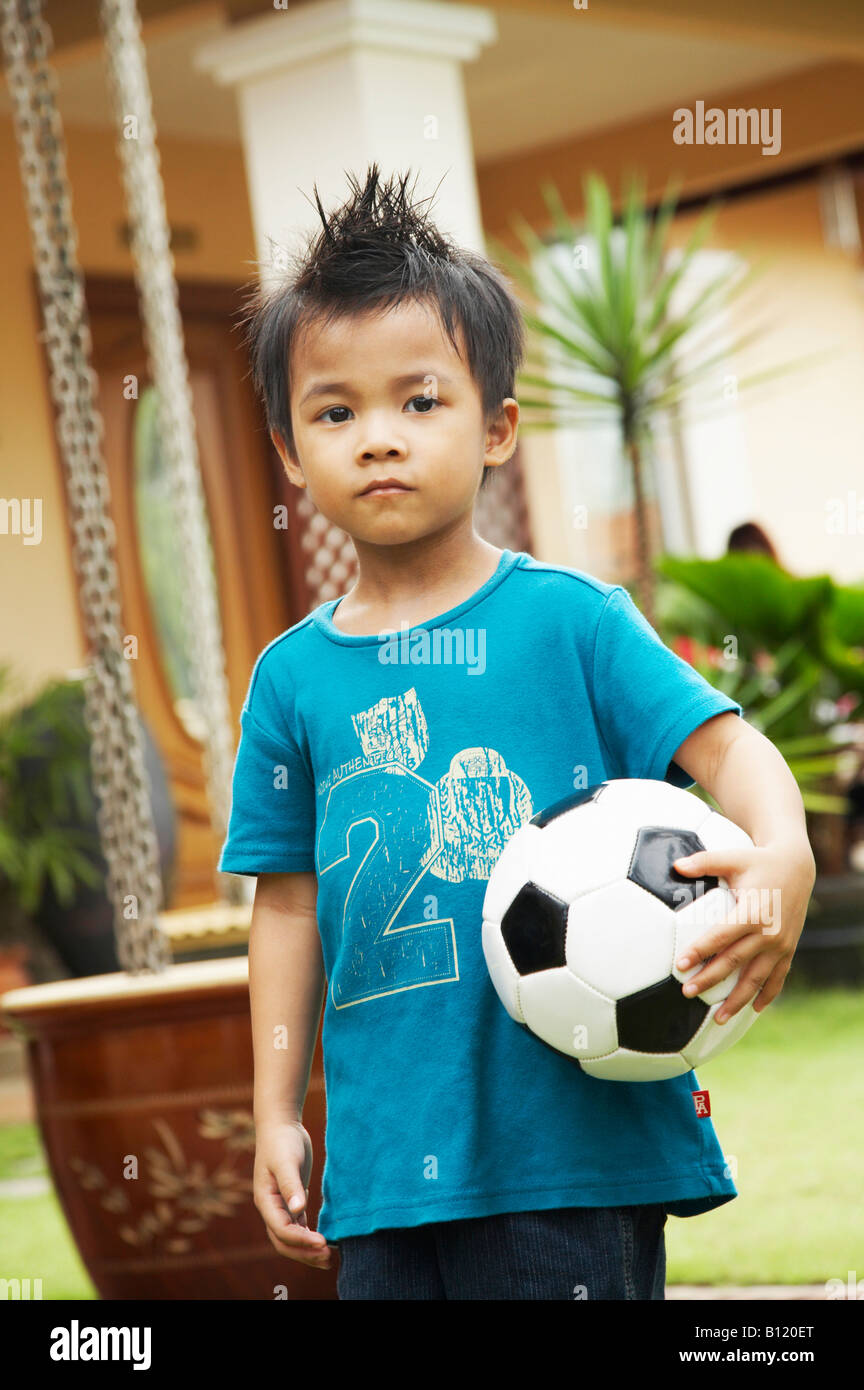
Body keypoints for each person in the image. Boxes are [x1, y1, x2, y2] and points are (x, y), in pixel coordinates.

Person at [218, 164, 816, 1300]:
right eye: (335, 412)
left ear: (496, 429)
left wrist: (782, 850)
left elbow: (731, 749)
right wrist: (274, 1111)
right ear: (291, 455)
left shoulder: (571, 622)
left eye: (419, 400)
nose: (378, 438)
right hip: (389, 1178)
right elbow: (286, 903)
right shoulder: (291, 681)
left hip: (572, 1166)